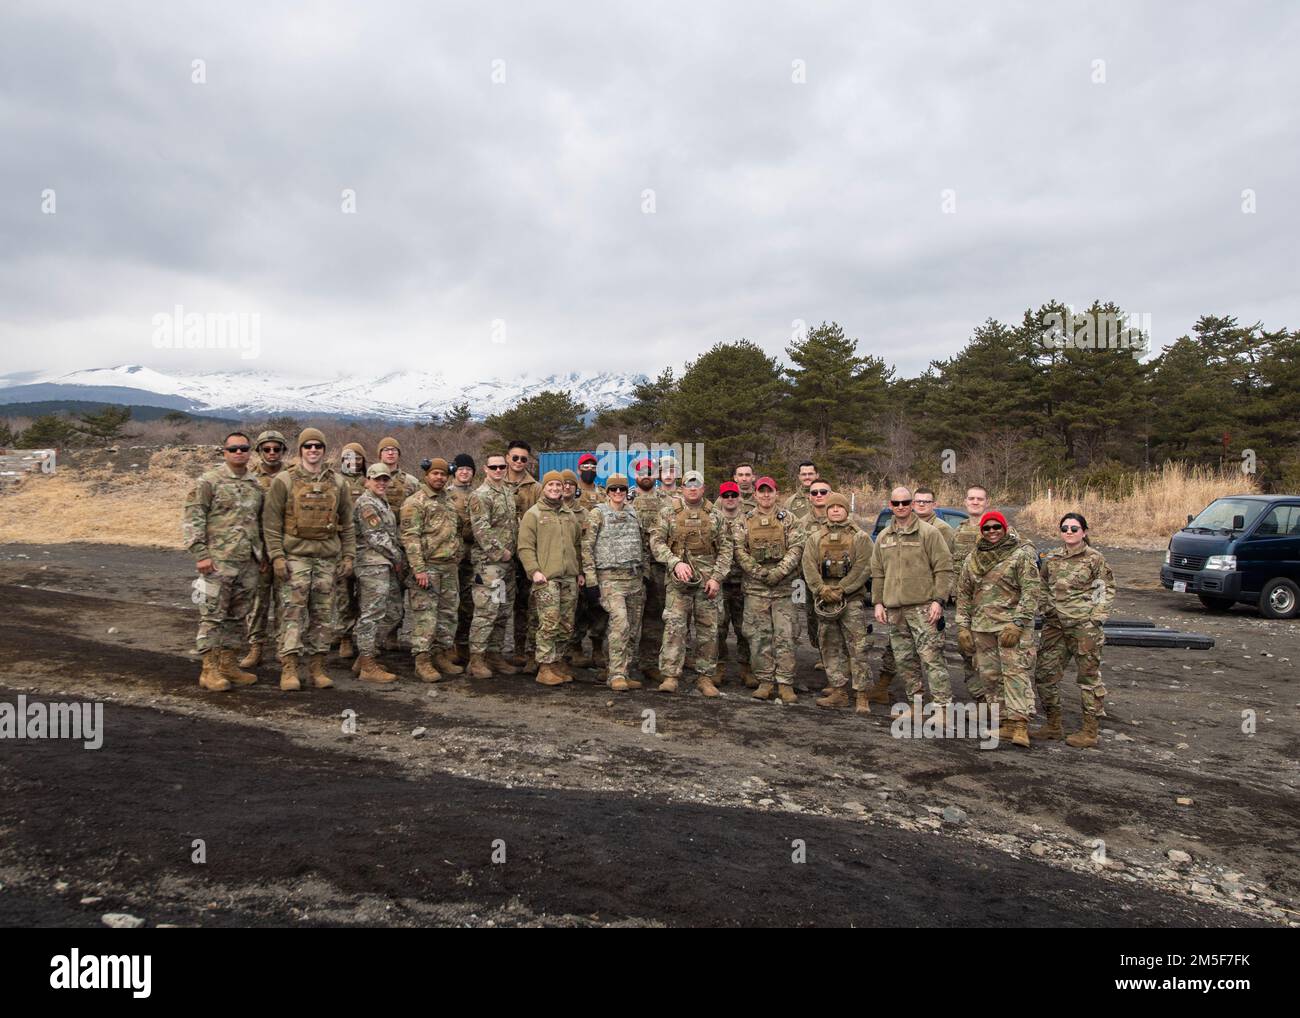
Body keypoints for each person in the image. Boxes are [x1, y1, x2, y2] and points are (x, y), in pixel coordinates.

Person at [262, 428, 355, 691]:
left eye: (318, 446)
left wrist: (348, 556)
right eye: (308, 446)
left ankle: (317, 666)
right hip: (296, 558)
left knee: (323, 615)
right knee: (292, 613)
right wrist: (277, 557)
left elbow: (347, 524)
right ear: (300, 450)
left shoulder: (338, 483)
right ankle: (290, 666)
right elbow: (271, 524)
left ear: (324, 451)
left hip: (326, 559)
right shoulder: (285, 480)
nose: (313, 450)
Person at [182, 432, 265, 691]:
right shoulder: (209, 481)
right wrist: (201, 554)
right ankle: (209, 669)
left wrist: (262, 556)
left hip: (247, 562)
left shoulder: (255, 485)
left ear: (250, 452)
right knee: (212, 616)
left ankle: (229, 664)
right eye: (233, 449)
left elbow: (259, 523)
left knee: (239, 617)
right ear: (224, 452)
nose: (239, 452)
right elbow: (194, 518)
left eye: (244, 448)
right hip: (217, 562)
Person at [955, 511, 1042, 748]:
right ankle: (1005, 721)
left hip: (1011, 628)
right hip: (982, 627)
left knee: (1015, 675)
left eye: (996, 527)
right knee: (990, 676)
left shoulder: (1020, 554)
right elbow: (963, 593)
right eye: (987, 528)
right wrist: (963, 626)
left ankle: (1020, 724)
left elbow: (1031, 591)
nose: (992, 532)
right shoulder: (973, 558)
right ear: (981, 531)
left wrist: (1018, 623)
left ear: (1004, 528)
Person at [870, 486, 953, 719]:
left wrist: (939, 600)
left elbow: (944, 568)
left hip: (924, 607)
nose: (901, 507)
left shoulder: (929, 533)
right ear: (890, 505)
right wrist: (878, 602)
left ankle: (943, 710)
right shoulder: (884, 537)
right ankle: (916, 707)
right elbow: (877, 573)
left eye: (905, 502)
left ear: (911, 504)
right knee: (905, 661)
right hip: (895, 610)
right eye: (896, 504)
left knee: (931, 658)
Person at [1033, 512, 1115, 748]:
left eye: (1074, 528)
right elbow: (1042, 585)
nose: (1069, 532)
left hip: (1083, 629)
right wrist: (1047, 608)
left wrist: (1095, 618)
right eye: (1065, 528)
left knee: (1088, 679)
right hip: (1055, 627)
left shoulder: (1094, 559)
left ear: (1084, 532)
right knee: (1044, 676)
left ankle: (1090, 730)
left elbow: (1104, 589)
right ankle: (1053, 725)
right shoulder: (1052, 557)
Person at [650, 470, 733, 696]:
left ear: (703, 488)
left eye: (697, 485)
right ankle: (670, 675)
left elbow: (726, 548)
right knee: (675, 627)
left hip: (708, 582)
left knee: (708, 631)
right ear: (682, 488)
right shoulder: (669, 512)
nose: (693, 489)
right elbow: (656, 542)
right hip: (679, 580)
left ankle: (705, 677)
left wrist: (717, 577)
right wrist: (675, 562)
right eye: (688, 485)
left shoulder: (715, 515)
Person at [732, 477, 805, 703]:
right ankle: (764, 681)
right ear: (755, 495)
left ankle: (785, 683)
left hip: (784, 588)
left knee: (786, 636)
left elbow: (797, 547)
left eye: (769, 491)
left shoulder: (789, 519)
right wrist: (759, 572)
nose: (765, 495)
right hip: (756, 588)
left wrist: (779, 572)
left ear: (776, 493)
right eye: (761, 492)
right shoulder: (744, 520)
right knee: (758, 637)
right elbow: (739, 550)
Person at [804, 492, 875, 714]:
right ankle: (839, 691)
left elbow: (864, 567)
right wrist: (821, 589)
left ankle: (862, 695)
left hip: (850, 601)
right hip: (825, 601)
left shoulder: (860, 537)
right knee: (829, 646)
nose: (835, 510)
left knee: (858, 648)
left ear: (846, 510)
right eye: (831, 507)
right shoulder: (816, 537)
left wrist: (842, 589)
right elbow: (808, 565)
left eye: (839, 507)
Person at [400, 458, 465, 682]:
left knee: (448, 615)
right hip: (427, 566)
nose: (439, 477)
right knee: (425, 617)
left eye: (443, 474)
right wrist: (418, 569)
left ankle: (440, 654)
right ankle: (422, 660)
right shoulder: (415, 501)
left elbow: (456, 531)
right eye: (435, 473)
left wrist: (457, 554)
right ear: (426, 475)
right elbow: (410, 537)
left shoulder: (448, 500)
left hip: (448, 566)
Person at [518, 470, 585, 687]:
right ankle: (544, 667)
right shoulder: (534, 514)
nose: (556, 489)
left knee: (566, 624)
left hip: (569, 578)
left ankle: (556, 662)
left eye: (559, 485)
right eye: (551, 486)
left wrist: (579, 572)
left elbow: (576, 546)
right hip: (546, 579)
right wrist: (534, 571)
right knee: (549, 623)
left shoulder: (569, 515)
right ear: (544, 488)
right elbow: (525, 547)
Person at [582, 474, 644, 691]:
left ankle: (622, 671)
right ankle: (616, 675)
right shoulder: (597, 514)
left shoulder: (633, 513)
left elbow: (641, 542)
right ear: (607, 492)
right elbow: (587, 548)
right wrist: (591, 581)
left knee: (633, 629)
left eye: (622, 489)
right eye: (613, 489)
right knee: (620, 624)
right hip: (609, 578)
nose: (618, 493)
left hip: (634, 578)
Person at [466, 452, 520, 678]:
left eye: (501, 467)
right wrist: (501, 552)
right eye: (494, 467)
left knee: (502, 612)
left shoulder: (507, 492)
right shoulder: (481, 495)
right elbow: (481, 529)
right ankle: (476, 659)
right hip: (489, 565)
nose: (498, 470)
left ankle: (495, 655)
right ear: (486, 469)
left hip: (507, 566)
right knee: (486, 612)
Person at [351, 464, 406, 684]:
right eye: (377, 479)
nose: (381, 483)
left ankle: (366, 655)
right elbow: (376, 537)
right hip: (371, 564)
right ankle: (367, 665)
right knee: (372, 614)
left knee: (394, 611)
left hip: (384, 563)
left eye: (385, 479)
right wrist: (398, 556)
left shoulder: (380, 502)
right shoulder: (366, 503)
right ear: (368, 480)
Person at [239, 429, 287, 669]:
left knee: (285, 600)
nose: (271, 453)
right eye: (266, 449)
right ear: (258, 452)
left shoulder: (291, 478)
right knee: (258, 602)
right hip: (257, 551)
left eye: (276, 449)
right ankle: (256, 646)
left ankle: (282, 645)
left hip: (284, 548)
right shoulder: (249, 479)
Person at [714, 481, 754, 687]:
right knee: (718, 628)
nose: (730, 498)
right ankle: (719, 667)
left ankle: (746, 668)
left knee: (744, 628)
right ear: (720, 498)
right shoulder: (713, 519)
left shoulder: (749, 519)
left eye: (733, 494)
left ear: (739, 497)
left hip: (743, 582)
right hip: (719, 583)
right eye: (726, 495)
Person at [505, 440, 540, 664]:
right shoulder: (497, 483)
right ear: (507, 458)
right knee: (497, 602)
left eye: (523, 459)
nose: (519, 462)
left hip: (528, 554)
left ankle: (526, 650)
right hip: (502, 555)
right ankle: (489, 652)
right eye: (515, 458)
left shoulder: (535, 488)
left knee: (529, 603)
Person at [333, 441, 369, 661]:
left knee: (365, 594)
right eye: (348, 457)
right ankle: (345, 636)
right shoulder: (335, 482)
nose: (353, 462)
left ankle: (363, 638)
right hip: (341, 545)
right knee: (343, 593)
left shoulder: (370, 481)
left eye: (357, 457)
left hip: (366, 546)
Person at [447, 453, 478, 663]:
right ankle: (446, 646)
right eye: (461, 469)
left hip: (472, 557)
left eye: (468, 469)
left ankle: (462, 644)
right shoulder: (446, 494)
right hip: (451, 556)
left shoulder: (478, 495)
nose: (465, 472)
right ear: (454, 472)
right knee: (449, 603)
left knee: (468, 604)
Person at [375, 437, 420, 512]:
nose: (390, 453)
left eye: (394, 450)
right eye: (386, 450)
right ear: (380, 454)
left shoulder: (412, 481)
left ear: (398, 454)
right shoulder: (369, 479)